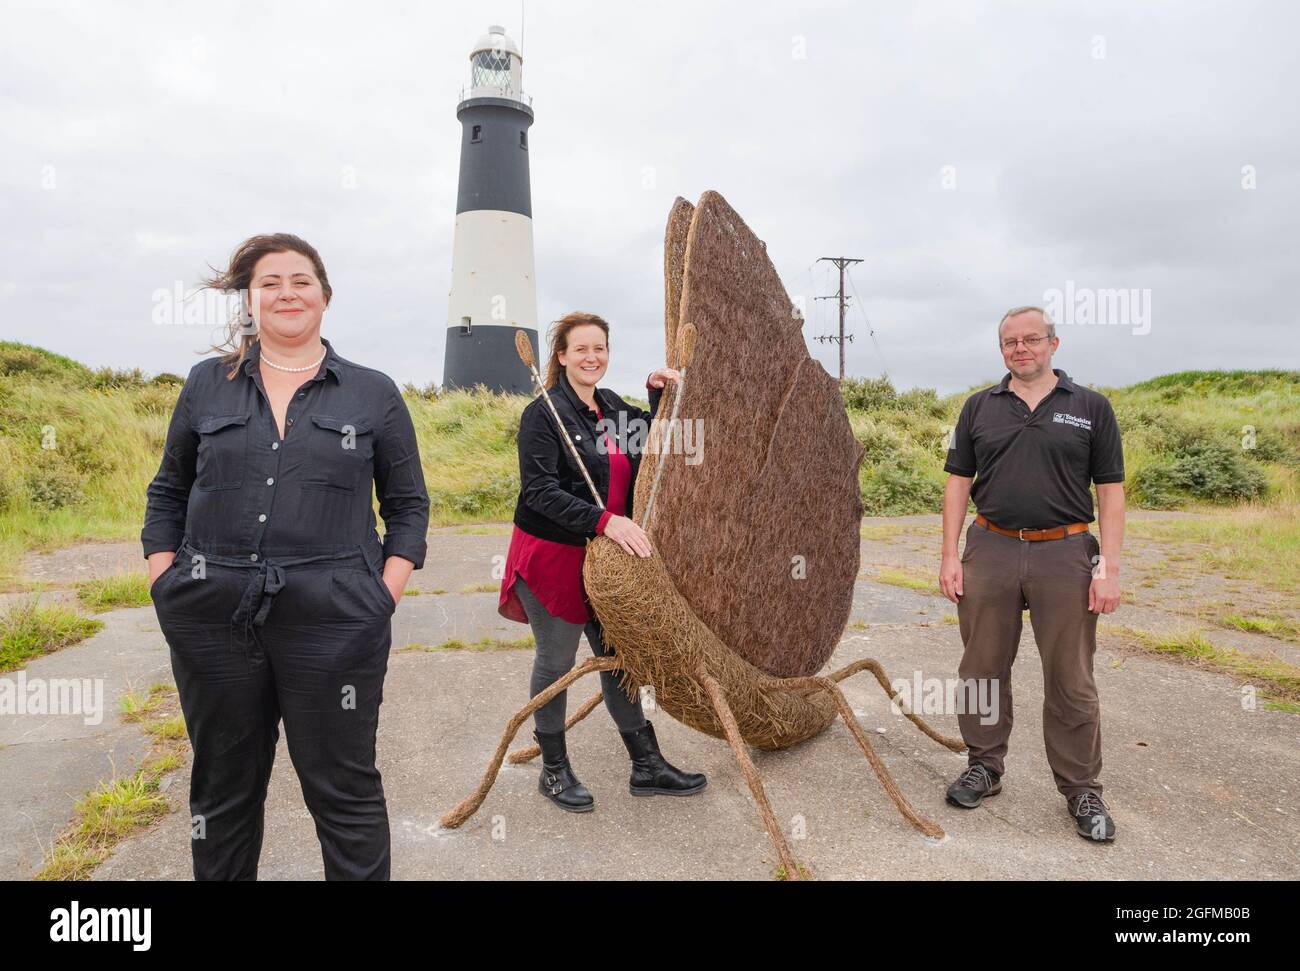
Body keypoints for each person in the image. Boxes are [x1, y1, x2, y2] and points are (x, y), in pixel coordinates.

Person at [141, 233, 430, 879]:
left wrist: (381, 595)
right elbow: (168, 489)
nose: (286, 292)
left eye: (301, 280)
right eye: (270, 281)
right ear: (250, 298)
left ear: (325, 295)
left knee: (344, 790)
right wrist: (167, 582)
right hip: (211, 616)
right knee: (222, 791)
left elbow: (408, 505)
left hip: (336, 620)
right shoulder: (205, 385)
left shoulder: (372, 392)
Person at [498, 311, 706, 812]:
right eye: (581, 349)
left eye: (600, 348)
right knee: (557, 659)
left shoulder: (612, 406)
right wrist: (605, 521)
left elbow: (655, 439)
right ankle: (553, 771)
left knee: (621, 659)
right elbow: (540, 491)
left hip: (607, 563)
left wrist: (656, 393)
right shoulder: (543, 414)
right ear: (562, 356)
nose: (592, 357)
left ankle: (646, 764)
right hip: (554, 556)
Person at [938, 306, 1125, 842]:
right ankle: (984, 765)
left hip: (1065, 554)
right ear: (1001, 350)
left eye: (1031, 339)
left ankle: (1081, 788)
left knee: (1070, 677)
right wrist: (950, 555)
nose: (1020, 348)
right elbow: (957, 482)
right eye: (1009, 342)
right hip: (990, 548)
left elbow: (1110, 493)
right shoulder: (978, 408)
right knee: (981, 668)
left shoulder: (1091, 407)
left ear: (1053, 344)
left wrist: (1106, 568)